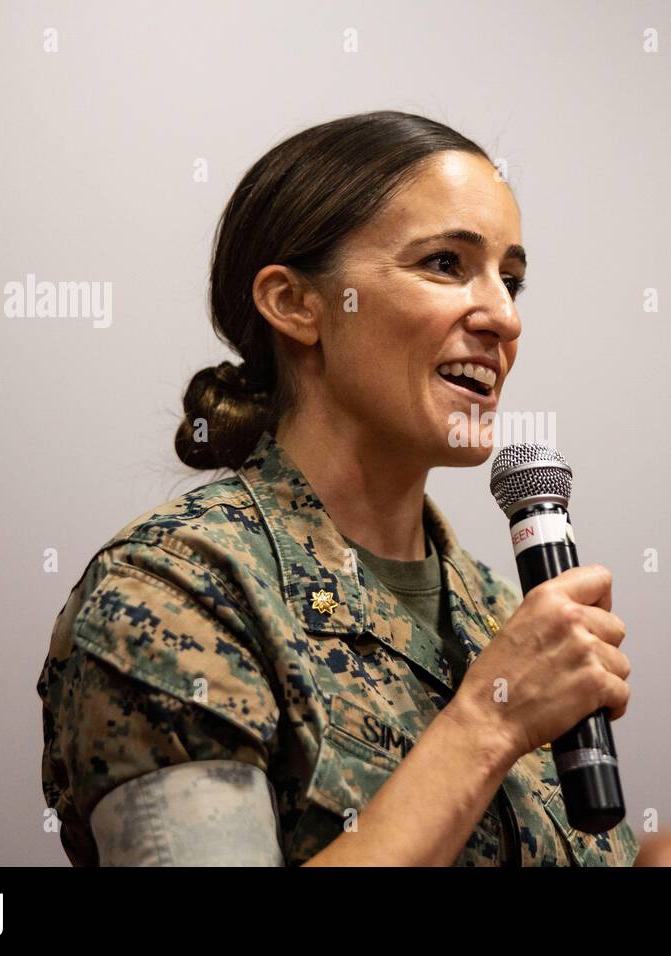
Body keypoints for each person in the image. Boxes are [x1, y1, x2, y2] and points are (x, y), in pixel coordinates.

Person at [37, 110, 638, 866]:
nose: (503, 317)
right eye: (447, 264)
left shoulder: (500, 617)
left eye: (511, 280)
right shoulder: (177, 590)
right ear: (296, 303)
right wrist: (488, 721)